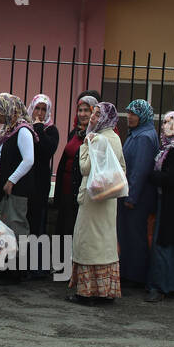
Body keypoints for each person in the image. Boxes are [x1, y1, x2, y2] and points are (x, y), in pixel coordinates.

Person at [68, 101, 126, 305]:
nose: (92, 117)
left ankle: (87, 292)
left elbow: (85, 168)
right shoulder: (116, 138)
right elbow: (121, 167)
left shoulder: (97, 139)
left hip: (93, 198)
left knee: (88, 242)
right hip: (108, 197)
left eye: (96, 114)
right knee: (105, 242)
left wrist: (86, 144)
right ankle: (105, 291)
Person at [0, 93, 37, 284]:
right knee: (4, 228)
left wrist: (11, 180)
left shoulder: (22, 130)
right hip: (5, 187)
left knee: (15, 228)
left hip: (16, 189)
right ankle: (2, 268)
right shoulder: (8, 130)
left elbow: (29, 160)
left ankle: (14, 272)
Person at [145, 112, 174, 301]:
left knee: (164, 245)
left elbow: (172, 178)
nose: (166, 126)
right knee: (173, 245)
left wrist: (152, 176)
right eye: (164, 122)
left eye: (171, 123)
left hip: (170, 204)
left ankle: (161, 287)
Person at [118, 99, 159, 287]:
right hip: (131, 194)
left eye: (134, 113)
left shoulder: (144, 137)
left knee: (135, 236)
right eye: (129, 113)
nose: (130, 117)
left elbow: (140, 169)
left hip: (137, 197)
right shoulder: (137, 133)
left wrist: (131, 196)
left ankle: (135, 276)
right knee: (128, 234)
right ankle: (128, 272)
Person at [53, 94, 98, 241]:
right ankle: (60, 262)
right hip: (66, 187)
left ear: (94, 113)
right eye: (80, 110)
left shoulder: (95, 135)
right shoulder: (75, 132)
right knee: (62, 228)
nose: (82, 114)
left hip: (81, 189)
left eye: (87, 110)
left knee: (74, 229)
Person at [26, 95, 60, 252]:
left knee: (37, 221)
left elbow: (47, 151)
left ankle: (36, 266)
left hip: (40, 181)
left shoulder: (51, 130)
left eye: (43, 109)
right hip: (25, 180)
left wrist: (39, 128)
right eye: (37, 108)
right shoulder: (24, 126)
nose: (39, 112)